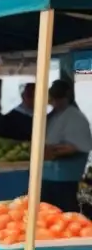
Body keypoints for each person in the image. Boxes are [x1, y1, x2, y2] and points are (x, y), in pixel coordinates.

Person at [42, 79, 92, 212]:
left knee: (63, 213)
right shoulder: (55, 115)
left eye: (57, 99)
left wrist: (50, 152)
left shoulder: (75, 117)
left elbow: (77, 147)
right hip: (49, 176)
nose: (54, 102)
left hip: (65, 178)